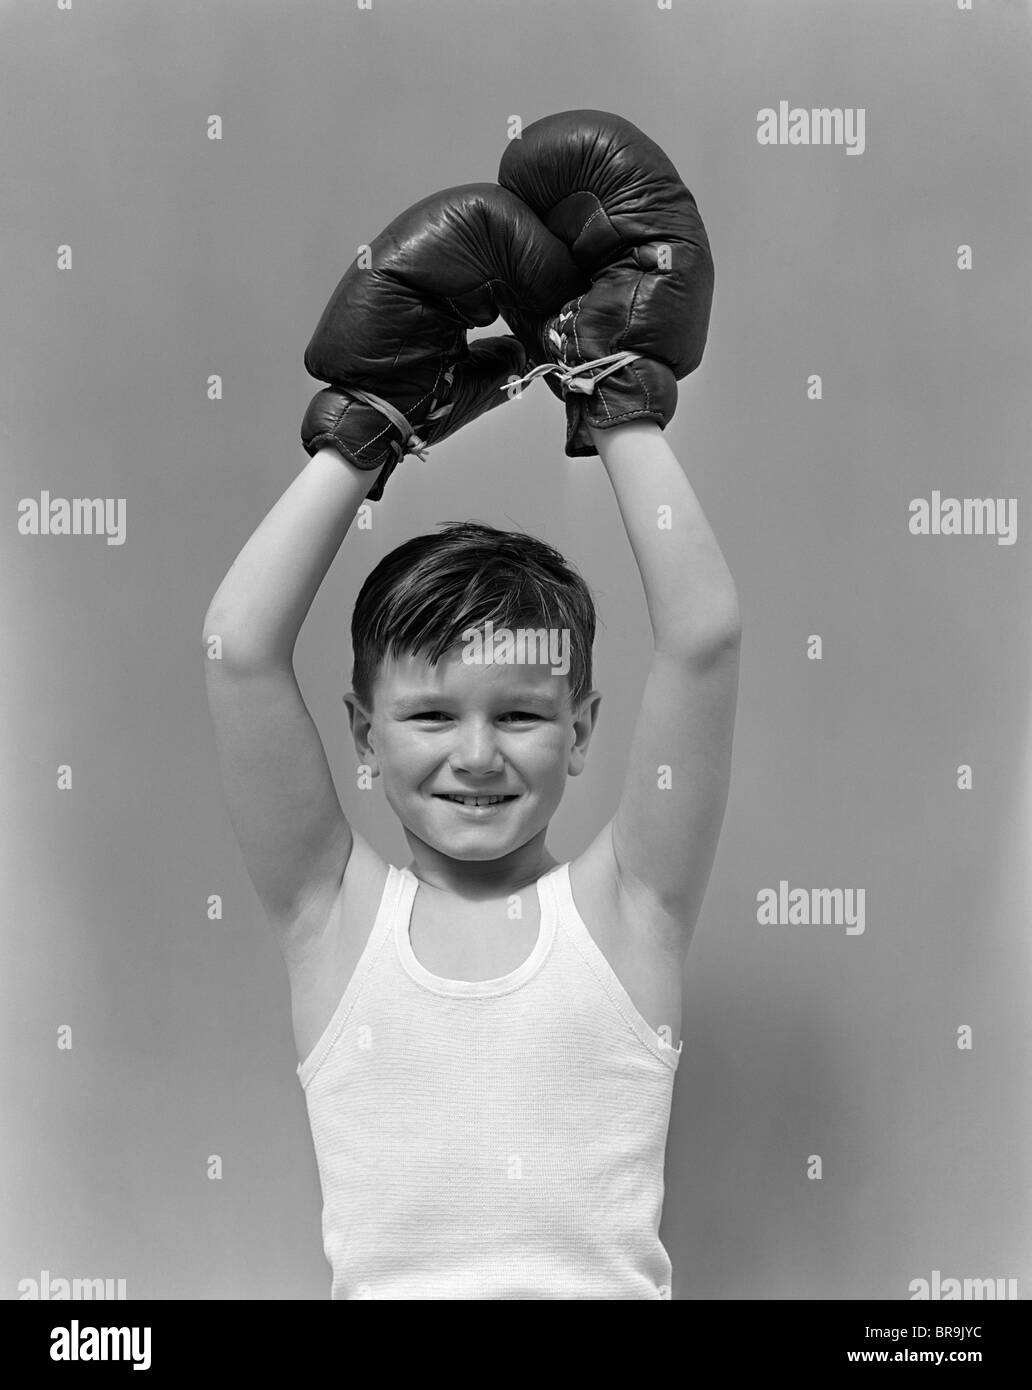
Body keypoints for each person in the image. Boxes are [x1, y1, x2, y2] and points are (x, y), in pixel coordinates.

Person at [203, 112, 740, 1300]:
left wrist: (618, 400)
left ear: (586, 731)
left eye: (525, 714)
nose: (479, 754)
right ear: (362, 738)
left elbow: (701, 638)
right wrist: (363, 433)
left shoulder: (629, 909)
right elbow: (240, 649)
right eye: (432, 716)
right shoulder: (331, 920)